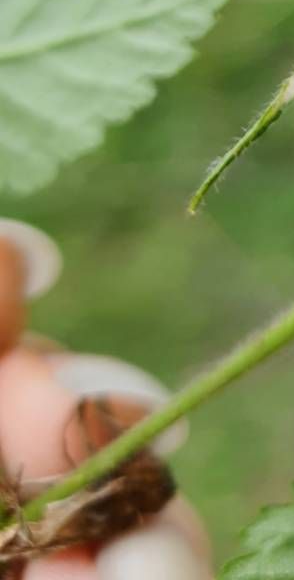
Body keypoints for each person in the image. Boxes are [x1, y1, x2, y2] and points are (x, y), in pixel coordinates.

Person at [0, 224, 212, 578]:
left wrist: (82, 426)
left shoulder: (48, 373)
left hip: (106, 533)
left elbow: (126, 421)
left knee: (149, 563)